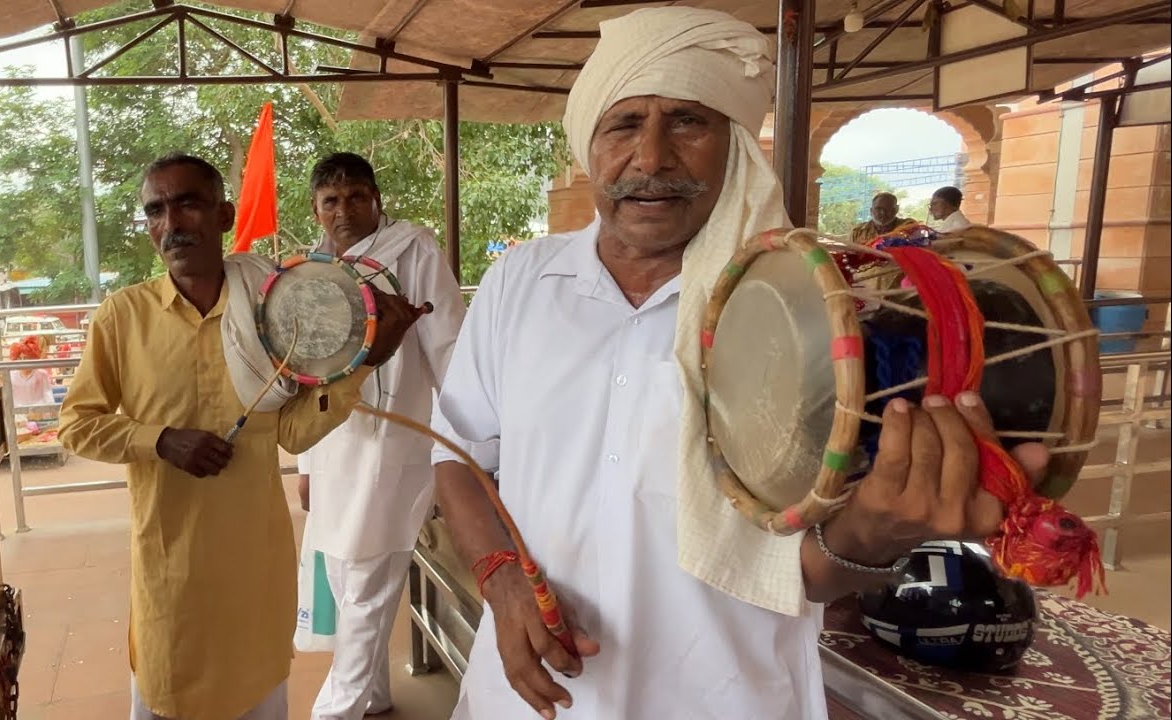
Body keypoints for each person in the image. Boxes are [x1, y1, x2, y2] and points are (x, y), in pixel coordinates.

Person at [428, 8, 1048, 720]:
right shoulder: (520, 283)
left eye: (688, 121)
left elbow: (808, 571)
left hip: (723, 697)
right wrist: (502, 579)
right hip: (525, 700)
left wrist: (875, 538)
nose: (652, 156)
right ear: (589, 145)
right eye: (624, 123)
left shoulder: (814, 310)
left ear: (735, 147)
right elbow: (458, 455)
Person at [58, 152, 420, 720]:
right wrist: (161, 441)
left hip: (256, 565)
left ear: (225, 215)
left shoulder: (273, 312)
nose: (172, 223)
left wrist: (366, 363)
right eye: (156, 209)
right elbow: (77, 424)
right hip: (170, 566)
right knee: (166, 692)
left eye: (188, 203)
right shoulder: (121, 317)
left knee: (257, 695)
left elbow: (296, 434)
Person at [295, 152, 466, 720]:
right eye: (331, 201)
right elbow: (308, 368)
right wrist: (305, 468)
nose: (345, 211)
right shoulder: (314, 269)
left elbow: (447, 348)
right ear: (317, 210)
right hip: (332, 444)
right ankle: (372, 697)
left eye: (357, 197)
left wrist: (466, 448)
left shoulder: (412, 250)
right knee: (345, 574)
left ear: (377, 200)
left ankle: (335, 710)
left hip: (395, 440)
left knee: (368, 578)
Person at [8, 335, 56, 410]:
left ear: (32, 358)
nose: (23, 361)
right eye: (20, 358)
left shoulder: (41, 374)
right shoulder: (11, 375)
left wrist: (51, 410)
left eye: (26, 358)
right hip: (17, 413)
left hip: (39, 412)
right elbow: (9, 398)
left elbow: (48, 395)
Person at [851, 191, 916, 245]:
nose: (883, 213)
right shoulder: (858, 232)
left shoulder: (909, 227)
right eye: (878, 209)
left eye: (888, 209)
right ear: (871, 211)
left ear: (896, 210)